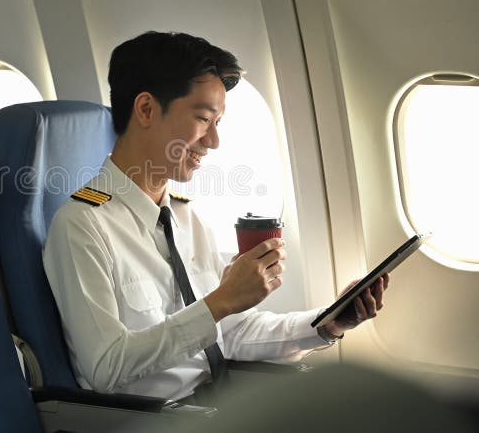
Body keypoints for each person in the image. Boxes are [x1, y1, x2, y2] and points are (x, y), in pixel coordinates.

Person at [42, 31, 389, 402]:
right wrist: (219, 302)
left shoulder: (187, 218)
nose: (213, 142)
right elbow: (106, 368)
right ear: (145, 109)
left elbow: (230, 333)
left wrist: (327, 323)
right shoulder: (83, 226)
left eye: (218, 123)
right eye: (204, 119)